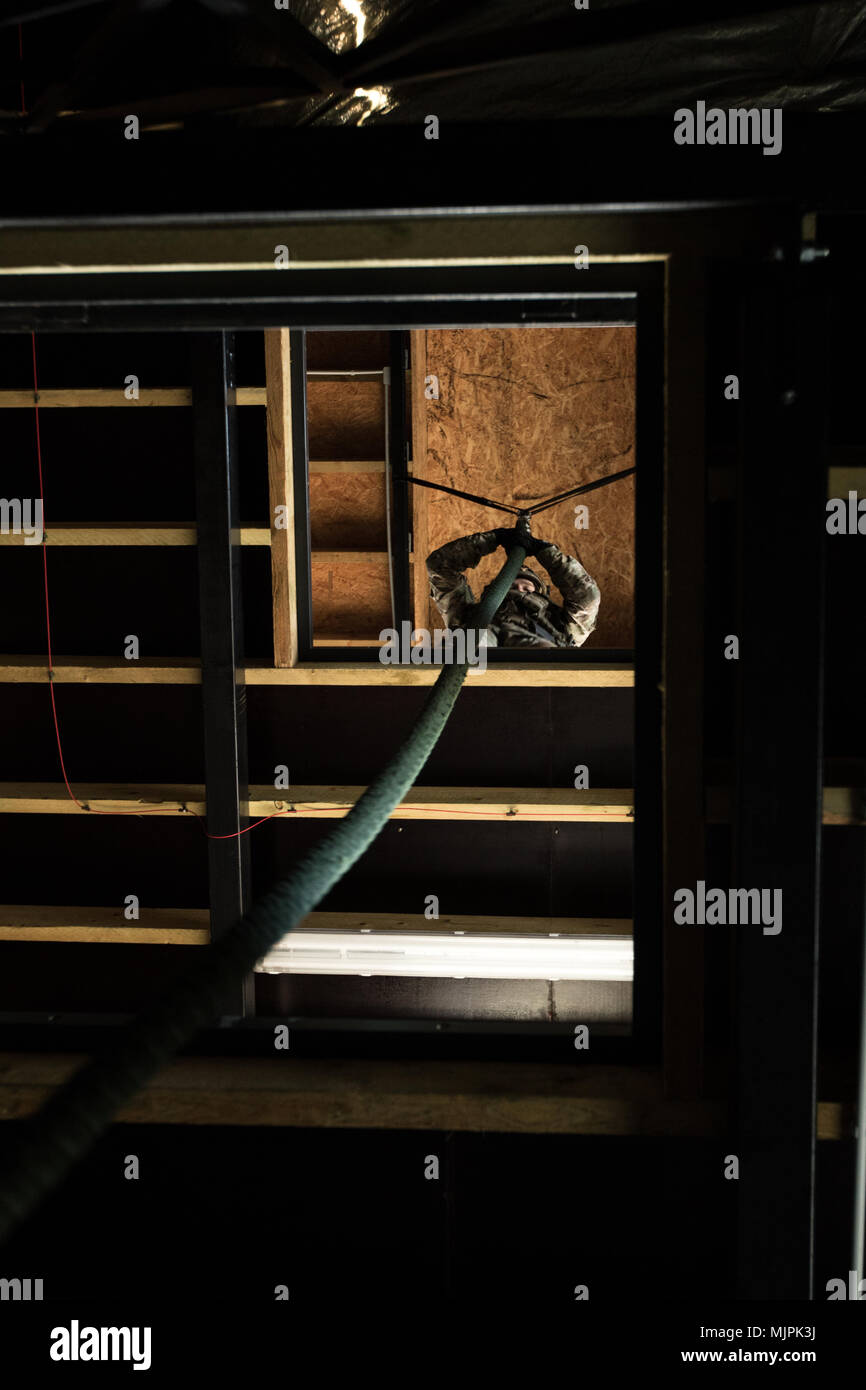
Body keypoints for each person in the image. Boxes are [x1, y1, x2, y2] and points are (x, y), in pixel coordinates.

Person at [426, 525, 600, 649]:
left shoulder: (565, 627)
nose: (517, 590)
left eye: (525, 587)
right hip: (479, 665)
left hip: (542, 668)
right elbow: (440, 565)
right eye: (510, 586)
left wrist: (545, 551)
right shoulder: (468, 614)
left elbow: (587, 596)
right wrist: (493, 538)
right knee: (471, 640)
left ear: (541, 593)